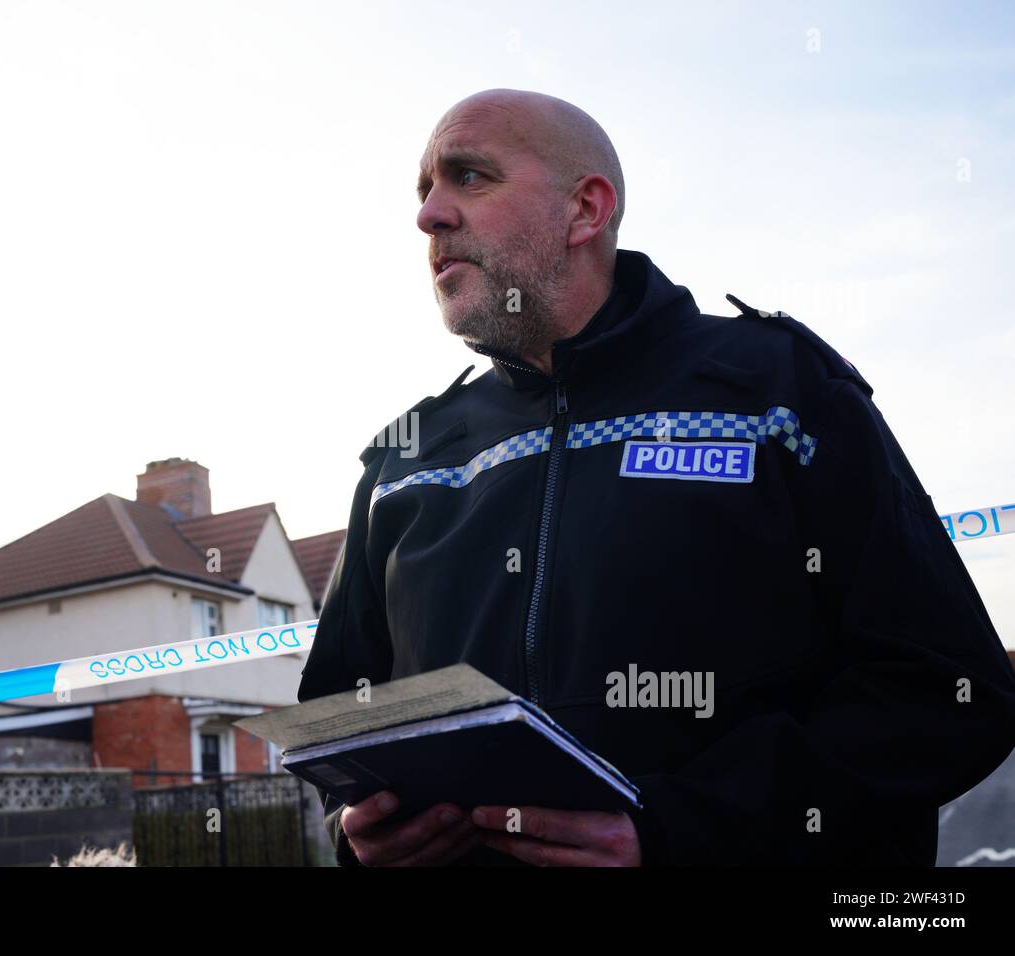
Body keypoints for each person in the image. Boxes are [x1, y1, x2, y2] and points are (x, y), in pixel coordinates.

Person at [296, 88, 1015, 866]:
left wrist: (680, 829)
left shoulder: (780, 394)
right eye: (424, 189)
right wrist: (356, 827)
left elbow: (944, 693)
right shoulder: (407, 458)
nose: (429, 215)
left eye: (468, 177)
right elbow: (344, 706)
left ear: (585, 210)